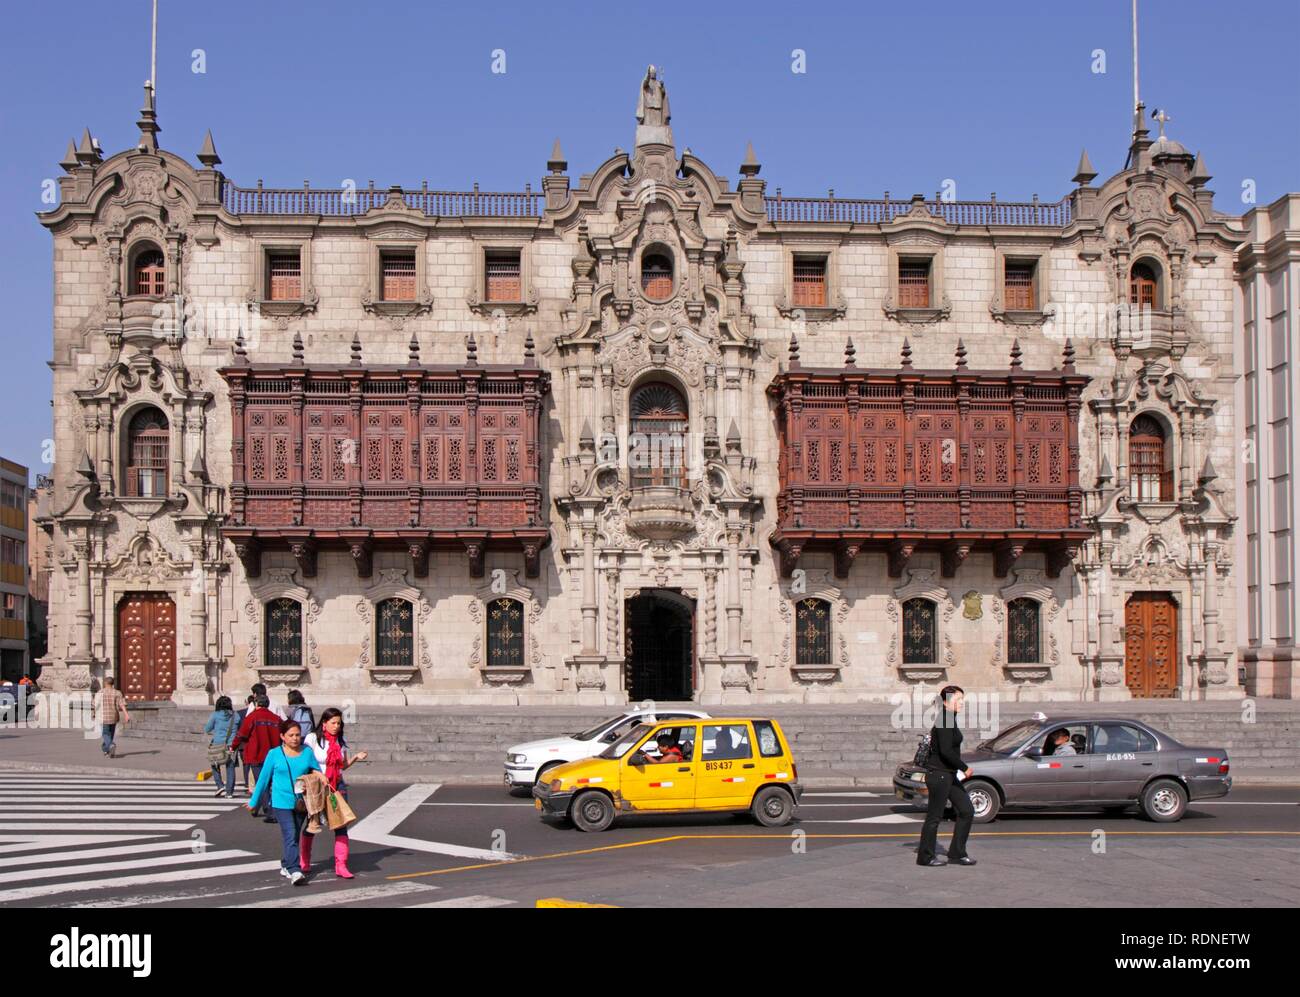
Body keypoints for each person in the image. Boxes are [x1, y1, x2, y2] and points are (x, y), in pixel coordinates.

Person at [247, 718, 321, 886]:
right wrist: (254, 801)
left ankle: (286, 864)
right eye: (291, 735)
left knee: (294, 835)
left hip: (301, 802)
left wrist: (320, 777)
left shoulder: (307, 752)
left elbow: (316, 770)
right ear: (282, 736)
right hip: (281, 802)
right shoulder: (274, 754)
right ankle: (295, 870)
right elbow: (263, 779)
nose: (295, 738)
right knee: (289, 833)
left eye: (297, 735)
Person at [302, 707, 368, 879]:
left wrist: (355, 758)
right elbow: (305, 761)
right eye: (333, 723)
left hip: (336, 785)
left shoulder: (340, 740)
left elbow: (342, 765)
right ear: (324, 723)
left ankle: (341, 864)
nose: (336, 726)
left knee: (341, 824)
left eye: (339, 723)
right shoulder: (312, 739)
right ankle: (304, 861)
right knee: (312, 824)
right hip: (317, 786)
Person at [916, 685, 976, 868]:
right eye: (958, 700)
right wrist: (964, 768)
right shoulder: (944, 719)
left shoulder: (950, 718)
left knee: (966, 810)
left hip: (948, 775)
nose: (961, 703)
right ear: (945, 702)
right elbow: (946, 752)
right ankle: (925, 857)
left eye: (962, 700)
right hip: (939, 775)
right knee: (934, 817)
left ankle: (957, 853)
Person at [231, 695, 283, 821]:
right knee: (269, 782)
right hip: (274, 755)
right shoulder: (276, 719)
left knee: (262, 782)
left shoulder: (252, 717)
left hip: (257, 755)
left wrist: (233, 746)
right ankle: (256, 807)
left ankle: (270, 812)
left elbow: (242, 734)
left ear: (256, 704)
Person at [204, 696, 240, 797]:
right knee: (230, 767)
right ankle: (229, 792)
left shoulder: (215, 715)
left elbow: (207, 729)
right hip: (232, 745)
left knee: (215, 765)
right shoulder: (236, 715)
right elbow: (240, 727)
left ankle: (220, 785)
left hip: (217, 744)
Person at [91, 677, 130, 758]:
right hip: (114, 716)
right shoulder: (117, 692)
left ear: (105, 683)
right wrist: (126, 715)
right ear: (113, 683)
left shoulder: (100, 692)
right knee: (110, 735)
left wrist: (93, 713)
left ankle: (111, 745)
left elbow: (95, 705)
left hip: (103, 717)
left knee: (105, 734)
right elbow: (122, 704)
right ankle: (107, 751)